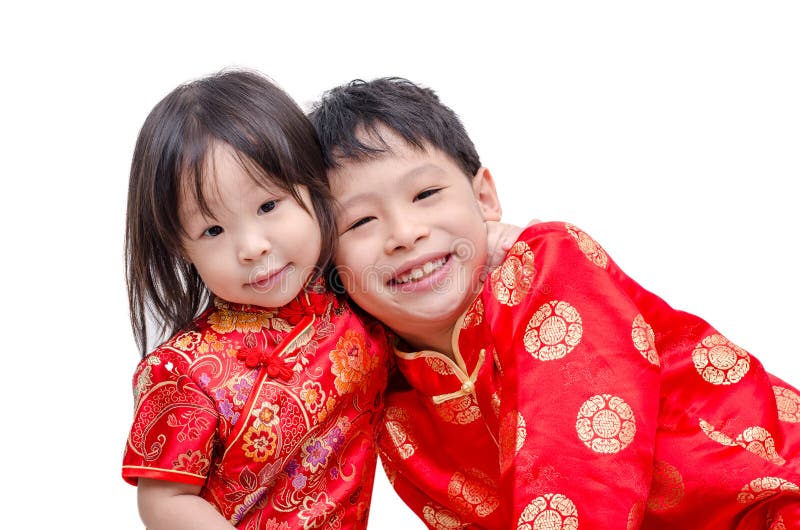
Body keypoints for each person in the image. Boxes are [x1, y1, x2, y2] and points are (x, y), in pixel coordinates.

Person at [309, 77, 800, 529]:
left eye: (426, 193)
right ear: (327, 262)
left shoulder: (548, 265)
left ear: (484, 197)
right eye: (361, 222)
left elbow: (579, 479)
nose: (404, 233)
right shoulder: (387, 403)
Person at [120, 70, 391, 530]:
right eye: (213, 230)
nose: (252, 247)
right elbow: (164, 502)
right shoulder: (183, 371)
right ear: (180, 247)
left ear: (312, 185)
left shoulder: (355, 293)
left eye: (268, 206)